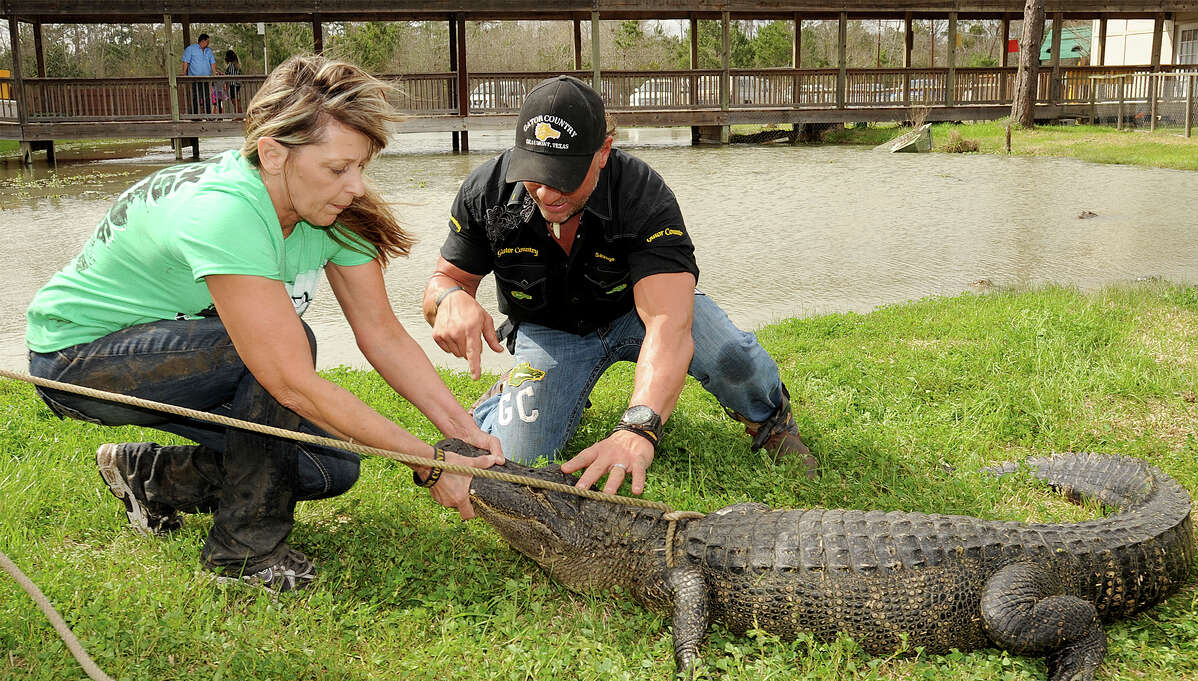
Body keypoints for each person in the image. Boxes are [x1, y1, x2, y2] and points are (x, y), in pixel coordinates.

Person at [26, 55, 503, 593]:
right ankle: (244, 551)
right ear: (274, 154)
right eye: (338, 168)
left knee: (330, 468)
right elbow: (289, 381)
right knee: (290, 348)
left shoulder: (330, 211)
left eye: (362, 167)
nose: (358, 188)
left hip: (195, 359)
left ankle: (149, 476)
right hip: (77, 359)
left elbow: (382, 334)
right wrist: (428, 463)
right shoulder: (227, 211)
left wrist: (462, 434)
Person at [423, 75, 816, 497]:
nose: (545, 190)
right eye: (535, 172)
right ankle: (515, 393)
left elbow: (668, 324)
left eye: (564, 175)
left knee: (729, 355)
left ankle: (770, 421)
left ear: (603, 151)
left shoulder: (643, 194)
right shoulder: (486, 192)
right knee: (518, 459)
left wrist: (639, 428)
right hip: (551, 332)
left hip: (638, 315)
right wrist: (449, 299)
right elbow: (443, 282)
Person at [181, 32, 217, 117]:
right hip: (195, 78)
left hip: (206, 78)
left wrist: (215, 72)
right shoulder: (190, 49)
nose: (208, 43)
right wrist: (183, 73)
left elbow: (213, 62)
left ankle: (208, 115)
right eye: (207, 41)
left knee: (207, 97)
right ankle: (196, 116)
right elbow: (186, 61)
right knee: (196, 96)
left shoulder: (209, 51)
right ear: (203, 41)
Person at [223, 49, 243, 115]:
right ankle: (239, 114)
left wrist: (226, 88)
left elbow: (227, 78)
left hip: (233, 85)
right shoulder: (237, 65)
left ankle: (238, 115)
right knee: (237, 100)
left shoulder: (230, 65)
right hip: (238, 85)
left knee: (234, 100)